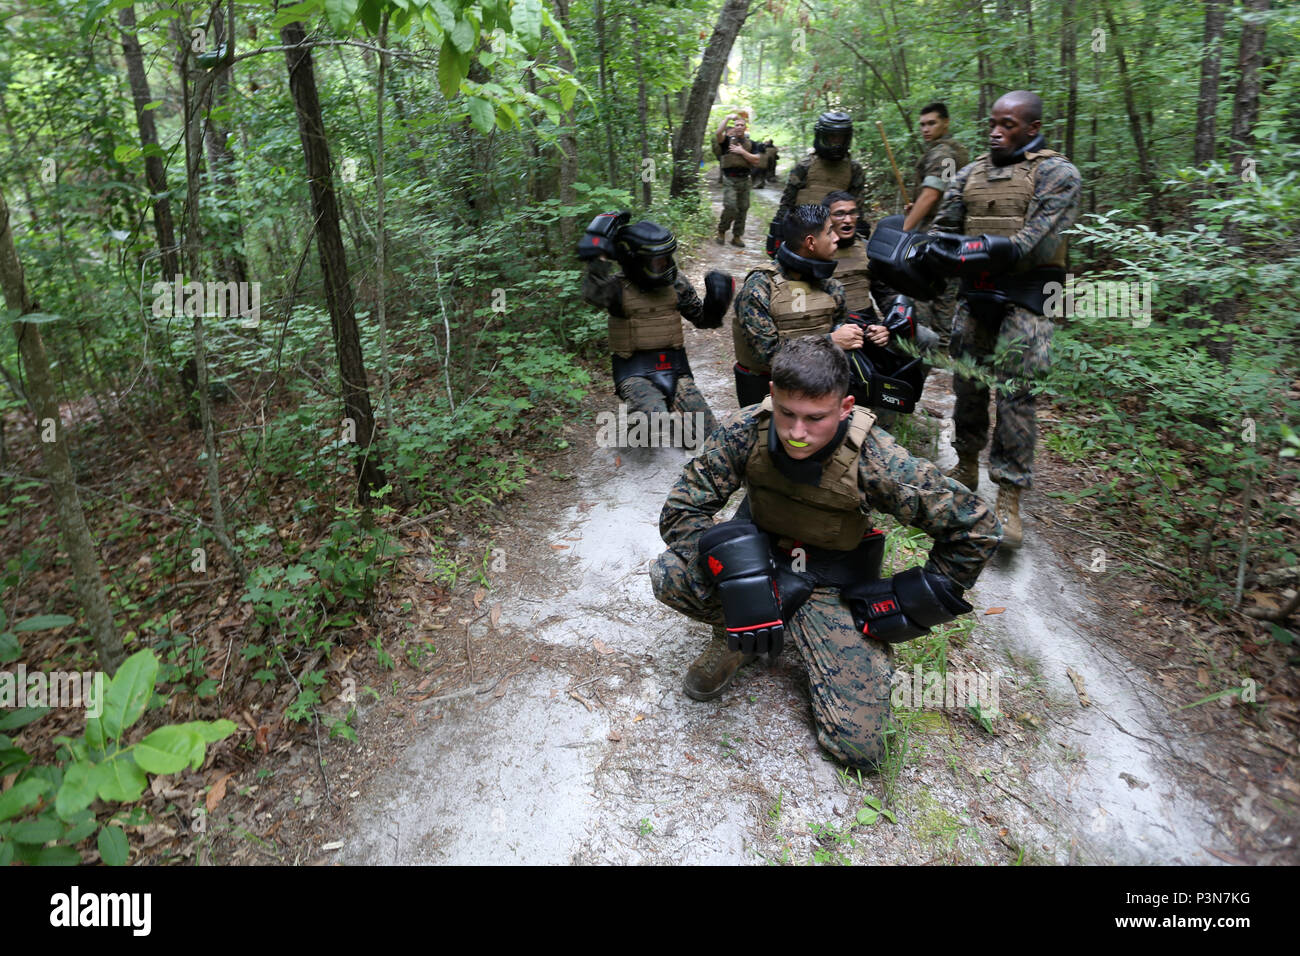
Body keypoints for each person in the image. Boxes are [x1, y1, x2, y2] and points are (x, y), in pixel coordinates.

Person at [649, 336, 1000, 769]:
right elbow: (682, 510)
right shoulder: (745, 431)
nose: (798, 433)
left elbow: (976, 527)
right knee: (669, 574)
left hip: (832, 583)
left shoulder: (877, 459)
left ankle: (838, 642)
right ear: (772, 396)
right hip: (757, 562)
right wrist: (737, 574)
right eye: (787, 414)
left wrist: (910, 603)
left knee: (858, 749)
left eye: (816, 419)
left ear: (845, 407)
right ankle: (735, 634)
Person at [924, 90, 1082, 548]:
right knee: (968, 385)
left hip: (1028, 299)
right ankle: (967, 464)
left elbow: (1031, 242)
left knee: (1016, 395)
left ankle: (1009, 494)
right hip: (977, 296)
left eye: (1008, 125)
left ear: (1032, 128)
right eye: (993, 122)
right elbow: (944, 230)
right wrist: (930, 255)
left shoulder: (1058, 173)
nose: (996, 131)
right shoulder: (972, 172)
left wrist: (970, 253)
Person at [578, 213, 734, 448]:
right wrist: (598, 256)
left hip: (675, 368)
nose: (665, 265)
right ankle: (637, 421)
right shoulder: (616, 289)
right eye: (657, 261)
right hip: (633, 371)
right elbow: (592, 293)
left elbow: (701, 319)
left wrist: (716, 305)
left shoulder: (676, 283)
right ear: (635, 261)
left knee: (710, 434)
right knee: (652, 422)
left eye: (666, 258)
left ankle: (665, 419)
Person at [731, 203, 864, 407]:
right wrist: (830, 341)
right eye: (830, 232)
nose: (837, 238)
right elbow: (768, 355)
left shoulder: (832, 286)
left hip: (820, 387)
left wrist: (867, 332)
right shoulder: (760, 286)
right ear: (811, 242)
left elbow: (840, 327)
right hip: (766, 393)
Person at [822, 191, 928, 425]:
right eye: (840, 214)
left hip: (870, 323)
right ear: (827, 218)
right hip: (833, 326)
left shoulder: (869, 249)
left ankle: (894, 406)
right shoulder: (819, 248)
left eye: (852, 213)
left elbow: (886, 294)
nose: (848, 220)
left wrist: (889, 327)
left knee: (925, 338)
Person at [902, 102, 969, 350]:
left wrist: (906, 228)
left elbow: (931, 194)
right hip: (954, 235)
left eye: (932, 123)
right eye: (922, 124)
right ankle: (943, 347)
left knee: (922, 291)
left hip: (935, 236)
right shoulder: (957, 151)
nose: (925, 129)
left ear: (946, 122)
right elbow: (940, 196)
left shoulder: (941, 154)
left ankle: (927, 349)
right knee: (946, 294)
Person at [772, 111, 865, 240]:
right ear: (822, 137)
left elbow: (857, 205)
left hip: (837, 235)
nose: (836, 142)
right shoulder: (805, 166)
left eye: (840, 138)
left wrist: (859, 227)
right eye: (832, 137)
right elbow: (788, 202)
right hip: (804, 233)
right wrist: (779, 228)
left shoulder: (854, 169)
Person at [711, 115, 763, 247]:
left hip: (745, 179)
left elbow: (757, 160)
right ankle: (722, 231)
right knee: (730, 206)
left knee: (743, 208)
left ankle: (737, 236)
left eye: (741, 125)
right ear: (733, 128)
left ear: (745, 128)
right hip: (730, 179)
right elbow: (717, 133)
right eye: (736, 125)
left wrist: (742, 152)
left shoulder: (753, 144)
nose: (739, 127)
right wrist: (727, 118)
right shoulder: (726, 141)